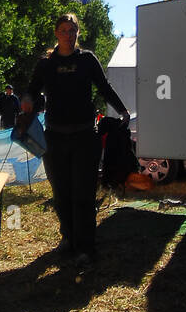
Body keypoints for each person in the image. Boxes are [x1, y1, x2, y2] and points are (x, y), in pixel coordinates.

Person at [21, 13, 128, 266]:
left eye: (72, 30)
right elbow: (32, 90)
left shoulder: (87, 60)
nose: (68, 35)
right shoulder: (46, 63)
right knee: (61, 193)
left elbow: (104, 87)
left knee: (83, 193)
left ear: (77, 33)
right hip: (55, 138)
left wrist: (122, 109)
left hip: (84, 136)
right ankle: (68, 237)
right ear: (56, 33)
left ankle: (85, 248)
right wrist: (26, 100)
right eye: (63, 30)